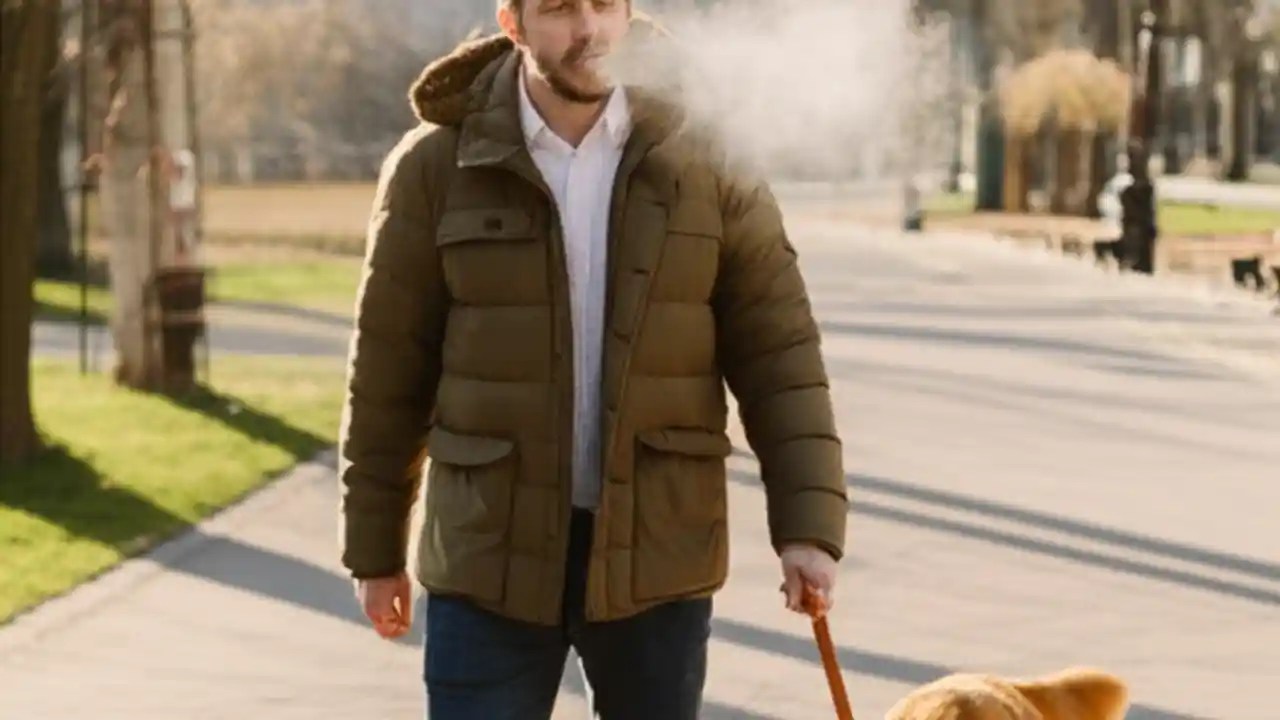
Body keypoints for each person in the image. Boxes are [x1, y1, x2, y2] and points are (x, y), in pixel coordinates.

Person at [337, 1, 848, 718]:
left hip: (658, 557)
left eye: (606, 5)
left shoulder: (709, 156)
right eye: (559, 10)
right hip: (488, 560)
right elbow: (389, 370)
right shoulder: (433, 166)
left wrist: (808, 529)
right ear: (511, 23)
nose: (591, 31)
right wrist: (374, 550)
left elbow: (780, 351)